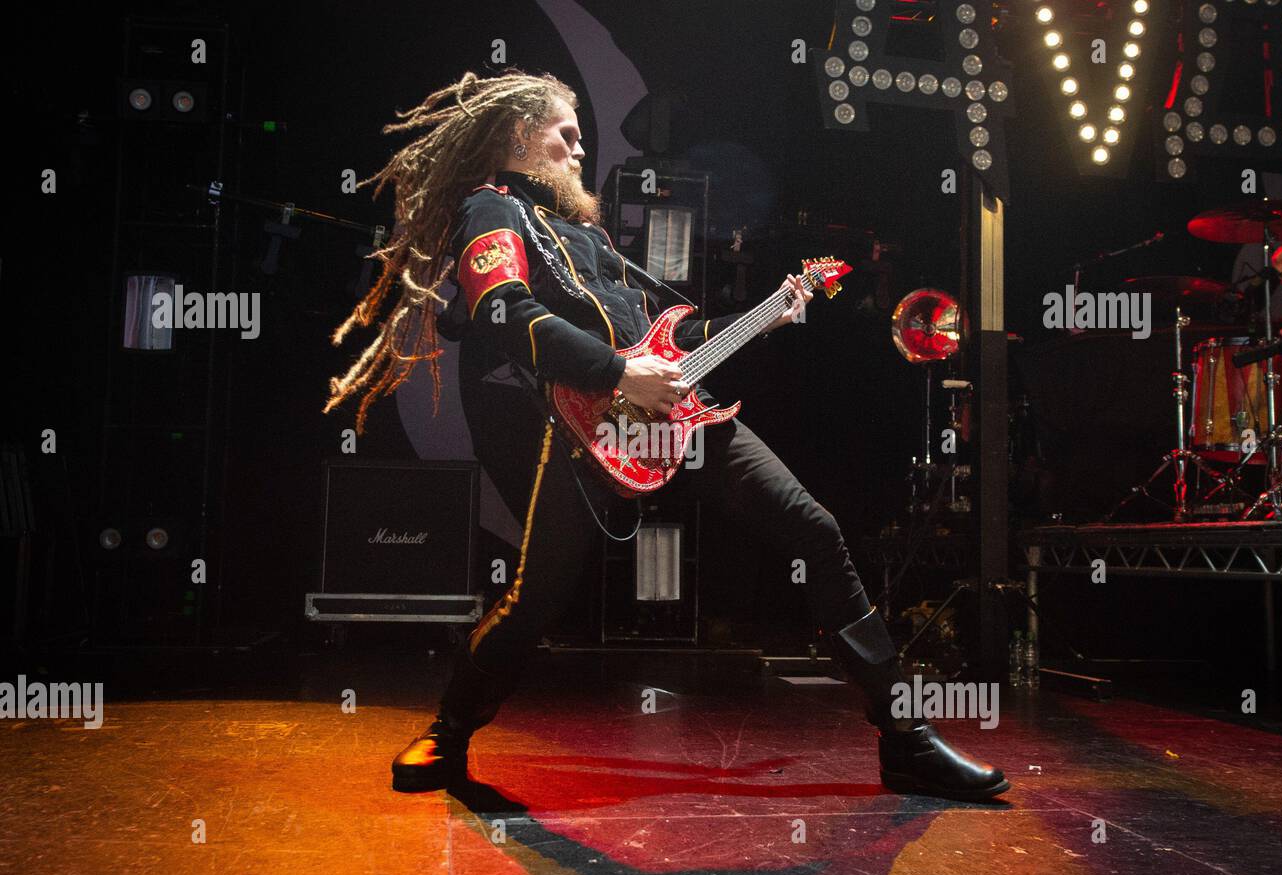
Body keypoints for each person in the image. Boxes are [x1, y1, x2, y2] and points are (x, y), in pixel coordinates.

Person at [325, 69, 1009, 802]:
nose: (580, 148)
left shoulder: (587, 233)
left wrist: (768, 313)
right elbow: (503, 313)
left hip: (684, 416)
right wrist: (619, 376)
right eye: (566, 133)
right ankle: (449, 730)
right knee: (534, 600)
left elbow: (676, 340)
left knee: (815, 528)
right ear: (520, 137)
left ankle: (908, 737)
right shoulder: (493, 211)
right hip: (592, 427)